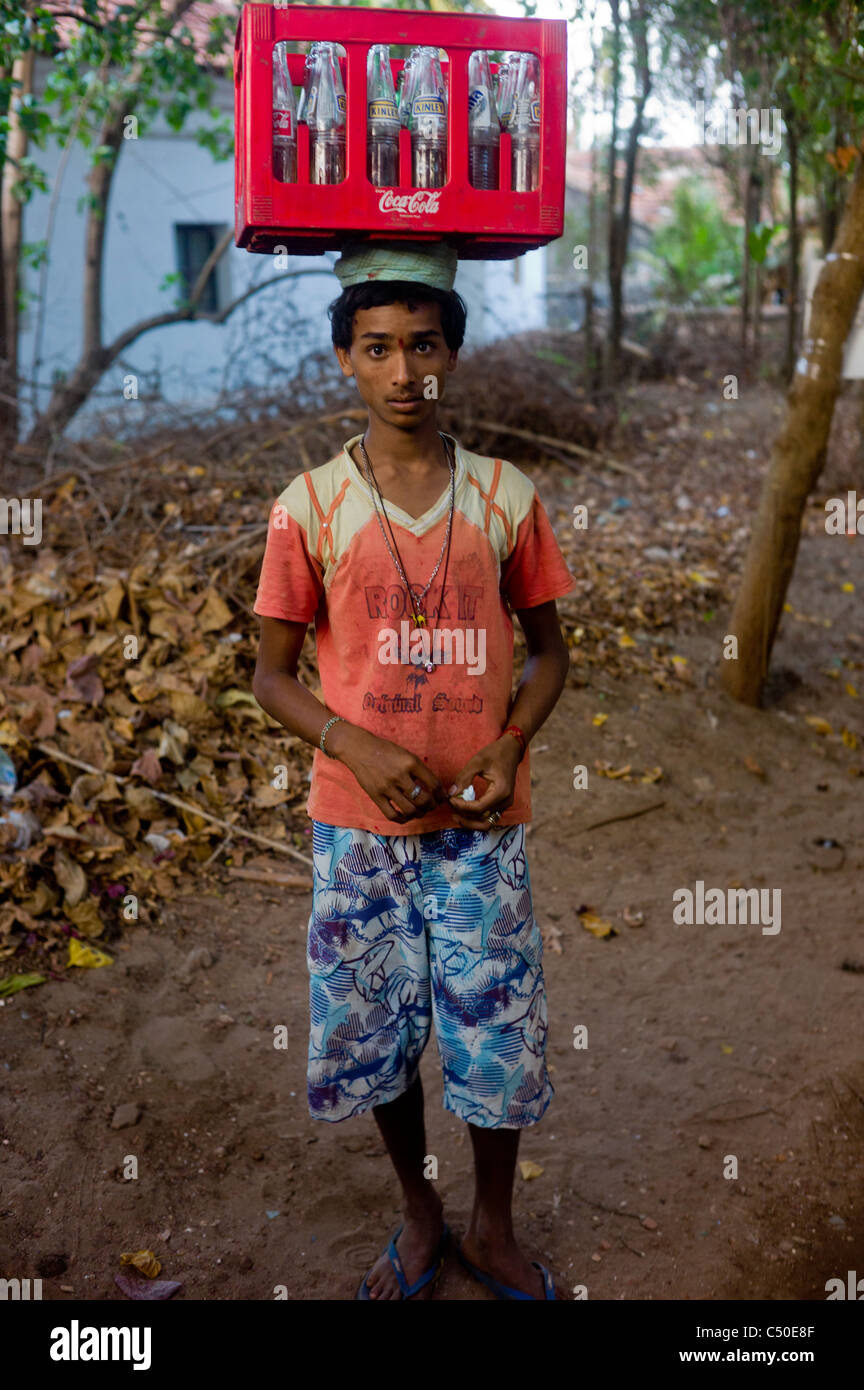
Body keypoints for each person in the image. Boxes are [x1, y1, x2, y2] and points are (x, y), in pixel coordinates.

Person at [252, 240, 575, 1300]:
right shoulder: (309, 505)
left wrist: (508, 740)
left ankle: (491, 1222)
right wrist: (354, 741)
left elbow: (550, 650)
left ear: (454, 355)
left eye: (424, 346)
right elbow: (271, 674)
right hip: (360, 826)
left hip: (482, 826)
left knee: (494, 1028)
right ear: (343, 356)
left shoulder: (505, 497)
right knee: (377, 1028)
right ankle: (418, 1210)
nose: (404, 372)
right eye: (379, 347)